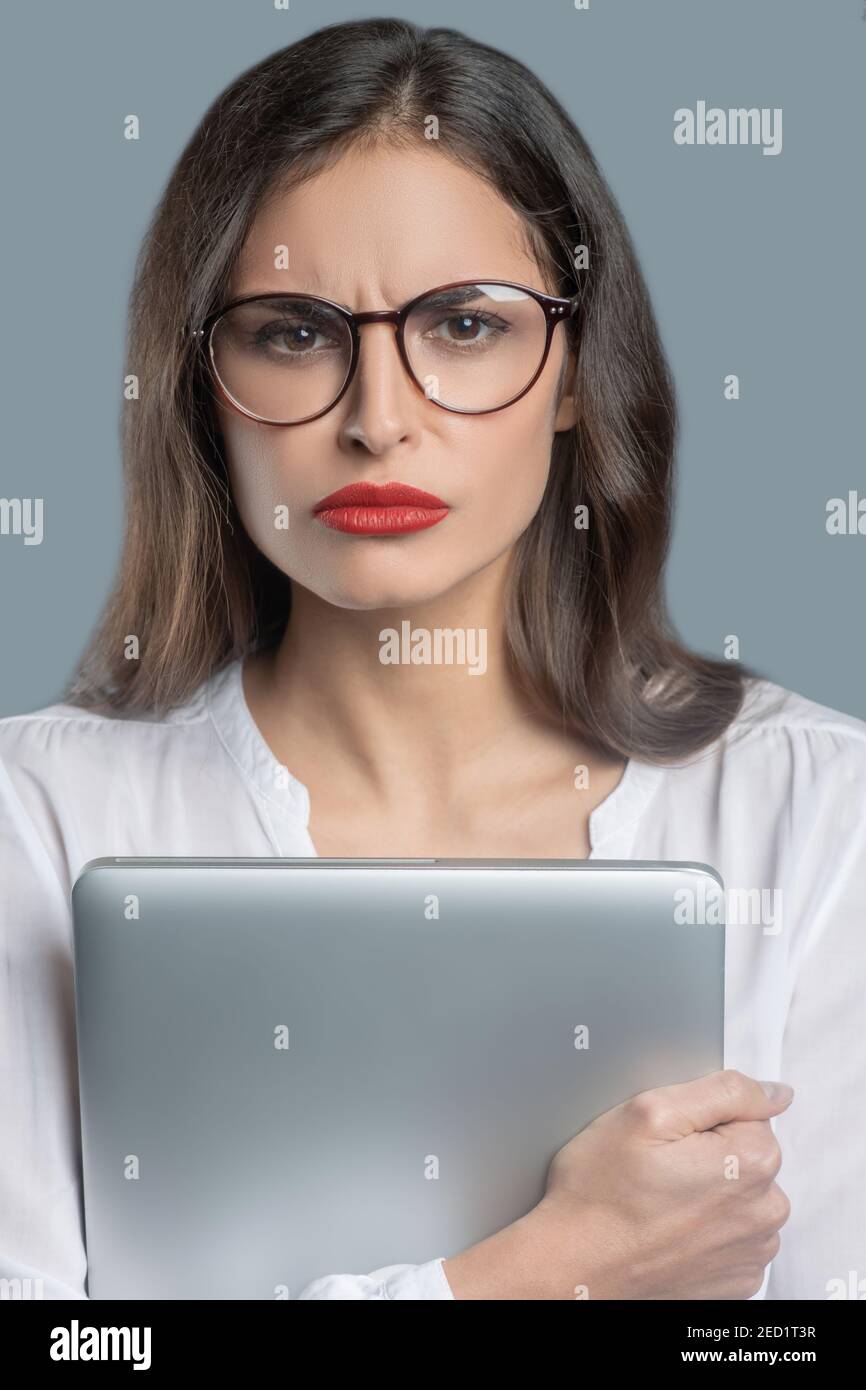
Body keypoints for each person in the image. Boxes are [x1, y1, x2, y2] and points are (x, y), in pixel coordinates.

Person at [1, 18, 864, 1301]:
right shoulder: (39, 818)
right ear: (199, 383)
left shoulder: (816, 813)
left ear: (573, 369)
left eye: (463, 324)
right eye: (292, 332)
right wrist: (537, 1275)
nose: (377, 418)